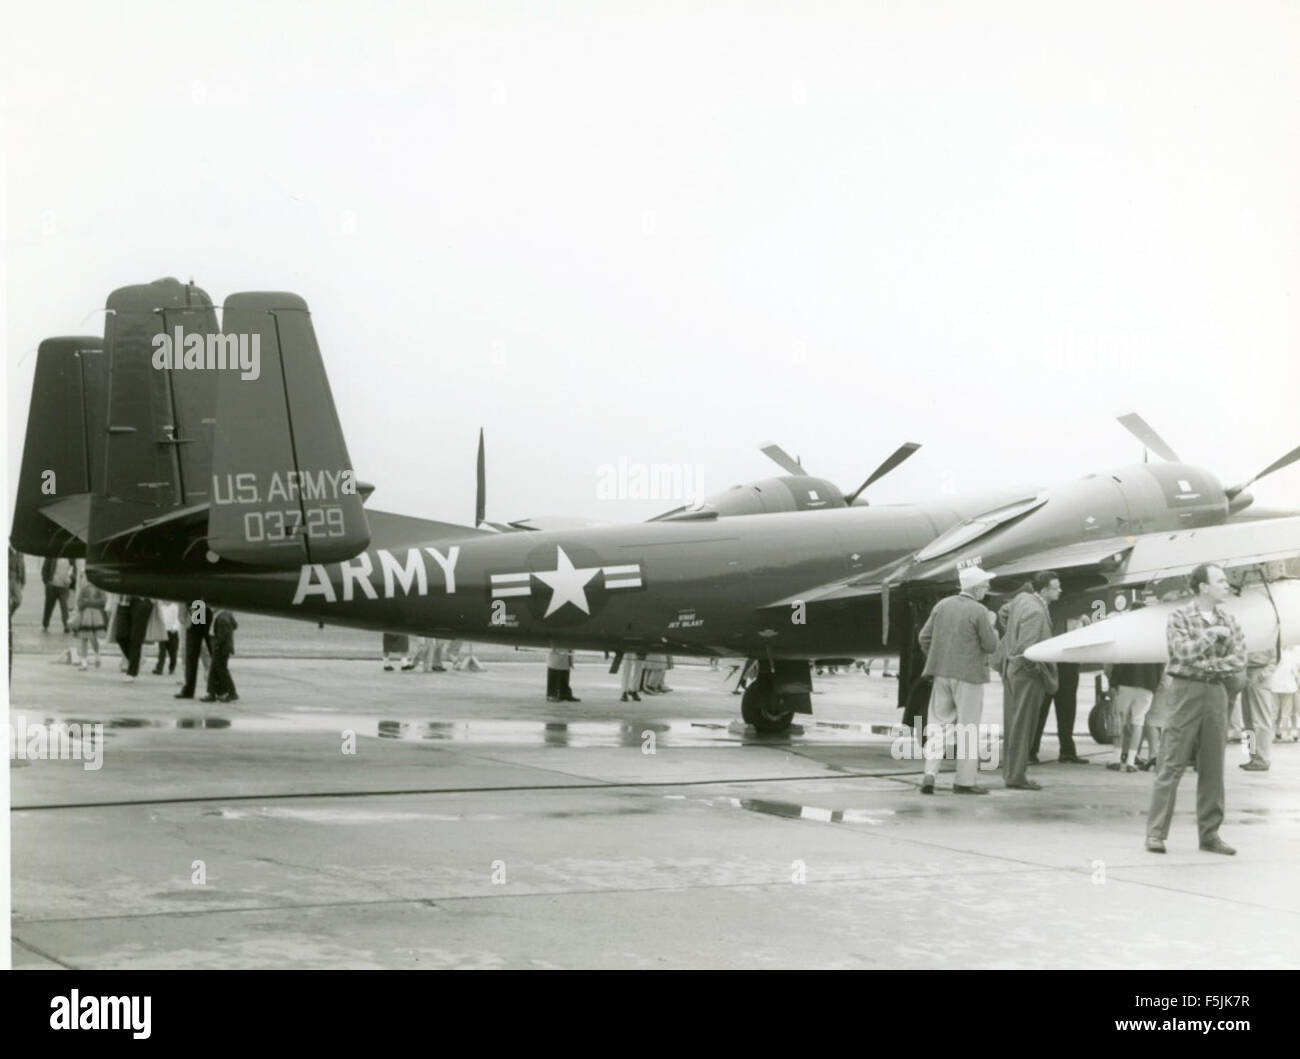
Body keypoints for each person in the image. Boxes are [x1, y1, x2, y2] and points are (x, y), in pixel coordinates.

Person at [1145, 563, 1246, 855]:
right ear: (1203, 586)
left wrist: (1205, 663)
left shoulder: (1230, 619)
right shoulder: (1179, 616)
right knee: (1172, 762)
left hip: (1216, 691)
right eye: (1221, 580)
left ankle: (1210, 833)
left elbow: (1238, 658)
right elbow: (1180, 652)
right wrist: (1212, 635)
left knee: (1213, 764)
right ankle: (1155, 833)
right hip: (1185, 692)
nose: (1227, 585)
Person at [915, 565, 999, 795]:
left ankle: (929, 774)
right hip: (969, 676)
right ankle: (964, 781)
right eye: (985, 585)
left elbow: (924, 637)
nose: (988, 588)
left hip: (941, 673)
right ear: (976, 588)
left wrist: (937, 656)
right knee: (968, 727)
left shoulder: (942, 605)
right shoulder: (979, 611)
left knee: (938, 726)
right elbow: (991, 645)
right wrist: (993, 627)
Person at [1000, 570, 1062, 790]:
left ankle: (1011, 772)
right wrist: (1037, 668)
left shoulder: (1022, 599)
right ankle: (1016, 776)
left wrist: (1009, 637)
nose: (1060, 590)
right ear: (1044, 591)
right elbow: (1025, 649)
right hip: (1026, 675)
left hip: (1012, 672)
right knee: (1023, 726)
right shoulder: (1036, 612)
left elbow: (1003, 612)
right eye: (1056, 587)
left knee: (1013, 723)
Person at [1106, 661, 1165, 772]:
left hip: (1126, 682)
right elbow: (1160, 665)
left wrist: (1113, 683)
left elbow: (1121, 660)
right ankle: (1131, 761)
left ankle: (1116, 759)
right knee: (1138, 723)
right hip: (1147, 686)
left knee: (1120, 720)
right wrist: (1154, 685)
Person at [1239, 648, 1278, 772]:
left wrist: (1264, 674)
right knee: (1248, 720)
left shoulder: (1268, 636)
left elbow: (1276, 658)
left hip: (1260, 671)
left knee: (1261, 719)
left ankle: (1262, 759)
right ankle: (1252, 756)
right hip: (1245, 671)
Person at [175, 599, 212, 699]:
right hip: (198, 607)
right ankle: (190, 688)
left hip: (202, 607)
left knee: (198, 651)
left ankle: (212, 688)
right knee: (193, 652)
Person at [202, 610, 239, 703]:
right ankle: (212, 693)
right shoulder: (226, 614)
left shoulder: (222, 618)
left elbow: (222, 636)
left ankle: (231, 693)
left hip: (221, 648)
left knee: (221, 671)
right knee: (215, 671)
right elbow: (235, 625)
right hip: (223, 647)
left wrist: (217, 645)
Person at [75, 577, 109, 670]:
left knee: (91, 637)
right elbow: (79, 603)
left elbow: (103, 601)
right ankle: (84, 661)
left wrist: (87, 602)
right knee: (84, 638)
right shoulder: (84, 589)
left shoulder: (99, 588)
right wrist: (87, 603)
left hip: (95, 616)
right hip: (86, 615)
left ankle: (96, 655)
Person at [1270, 646, 1299, 742]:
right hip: (1289, 687)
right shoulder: (1291, 654)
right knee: (1286, 713)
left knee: (1274, 712)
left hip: (1275, 686)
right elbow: (1295, 671)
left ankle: (1274, 733)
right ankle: (1284, 733)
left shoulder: (1276, 650)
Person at [40, 555, 74, 633]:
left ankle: (66, 625)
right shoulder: (51, 555)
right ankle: (45, 624)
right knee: (49, 606)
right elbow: (44, 569)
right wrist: (47, 582)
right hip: (52, 586)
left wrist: (71, 579)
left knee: (64, 606)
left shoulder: (71, 557)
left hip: (64, 587)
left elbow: (74, 571)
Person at [153, 601, 181, 675]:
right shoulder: (161, 607)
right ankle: (159, 668)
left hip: (172, 633)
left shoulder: (174, 607)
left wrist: (174, 627)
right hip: (163, 632)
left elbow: (177, 619)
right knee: (162, 652)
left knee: (173, 652)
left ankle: (172, 668)